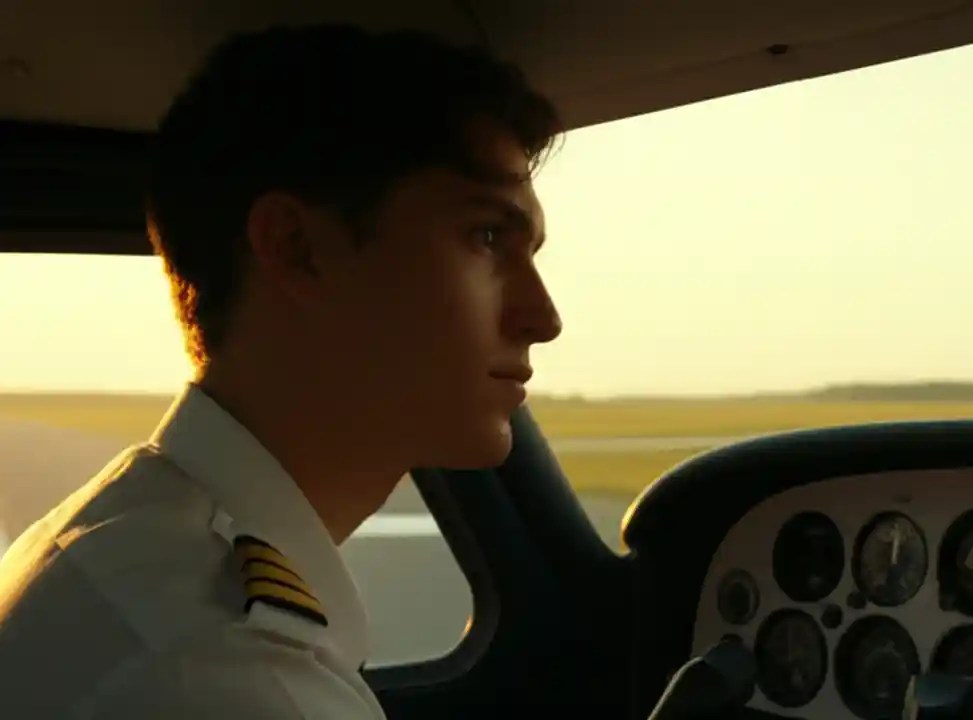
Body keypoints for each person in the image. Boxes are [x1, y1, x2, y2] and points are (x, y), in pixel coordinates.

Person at [0, 23, 563, 718]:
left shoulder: (127, 545)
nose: (543, 317)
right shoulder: (228, 677)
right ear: (298, 249)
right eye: (485, 237)